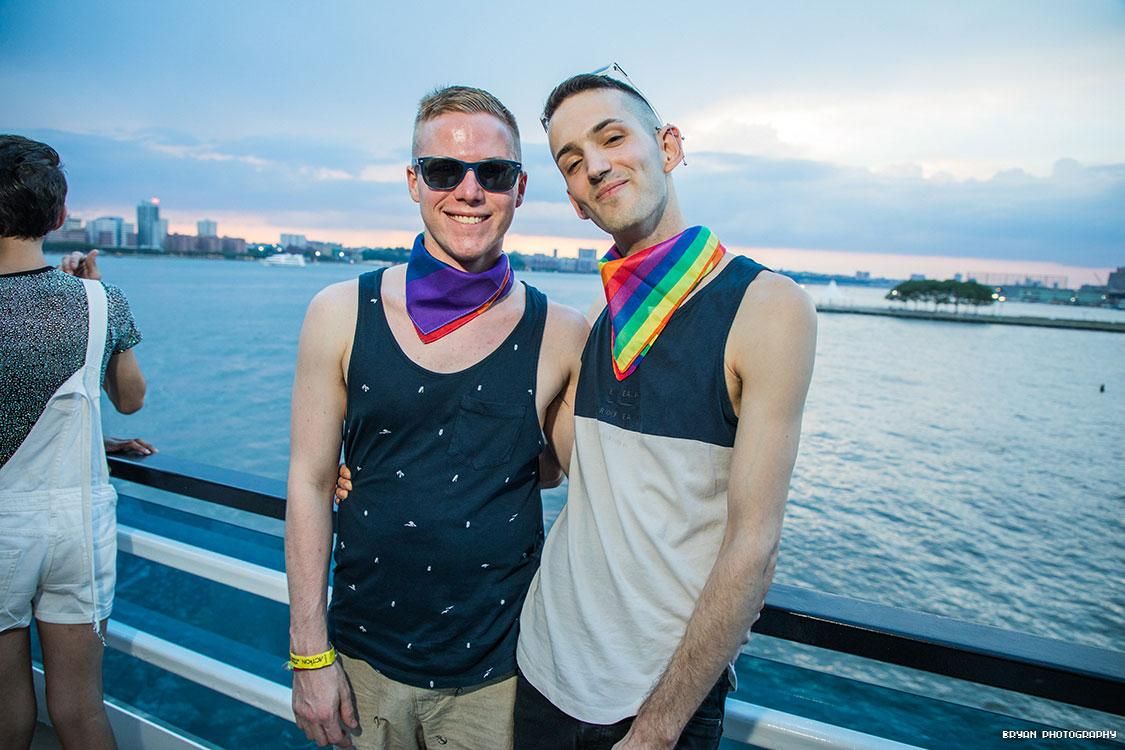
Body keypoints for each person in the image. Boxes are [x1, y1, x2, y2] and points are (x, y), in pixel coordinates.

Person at [512, 73, 818, 749]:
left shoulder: (766, 309)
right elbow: (549, 469)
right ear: (573, 200)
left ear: (668, 146)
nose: (593, 165)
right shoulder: (592, 321)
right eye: (571, 160)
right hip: (538, 667)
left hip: (652, 705)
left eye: (611, 137)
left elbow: (754, 545)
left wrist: (655, 730)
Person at [285, 86, 588, 750]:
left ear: (519, 188)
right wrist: (310, 657)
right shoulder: (340, 312)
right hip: (363, 662)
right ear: (413, 182)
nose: (470, 191)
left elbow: (591, 478)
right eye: (445, 171)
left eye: (494, 172)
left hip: (502, 676)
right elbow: (308, 484)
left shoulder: (563, 333)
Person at [0, 135, 147, 750]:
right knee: (81, 710)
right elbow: (130, 397)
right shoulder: (97, 298)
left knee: (7, 710)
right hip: (78, 524)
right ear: (58, 216)